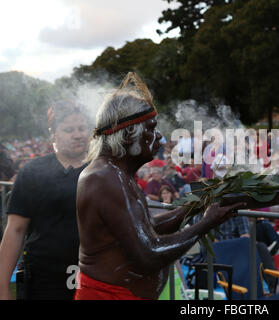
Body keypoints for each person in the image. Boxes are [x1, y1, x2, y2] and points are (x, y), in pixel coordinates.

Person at [74, 72, 245, 300]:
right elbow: (149, 253)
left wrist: (196, 205)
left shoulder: (116, 174)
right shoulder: (104, 178)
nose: (160, 138)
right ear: (128, 136)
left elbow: (147, 228)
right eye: (152, 129)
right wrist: (205, 223)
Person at [0, 100, 90, 300]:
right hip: (43, 279)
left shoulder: (102, 171)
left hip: (95, 277)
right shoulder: (32, 172)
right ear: (53, 134)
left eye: (82, 128)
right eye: (68, 129)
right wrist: (2, 286)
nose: (77, 134)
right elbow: (15, 229)